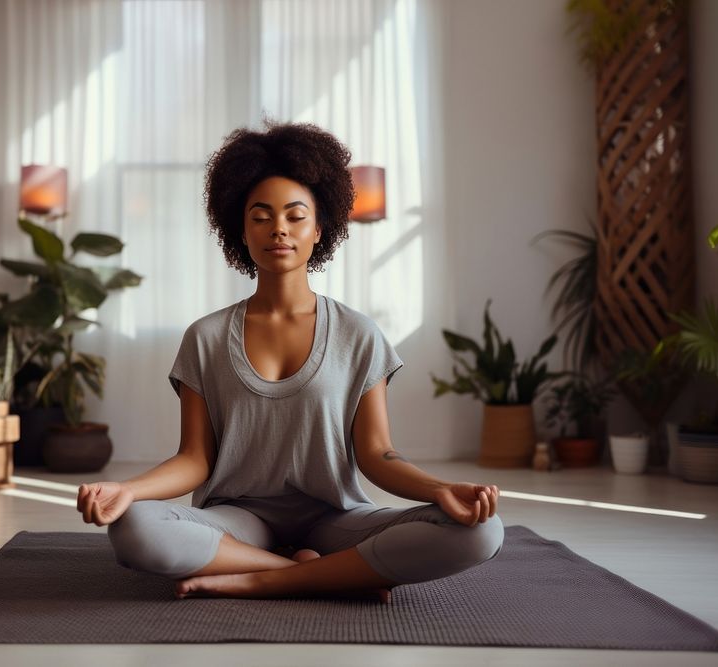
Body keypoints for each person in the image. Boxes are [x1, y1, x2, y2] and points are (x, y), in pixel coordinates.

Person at [76, 119, 504, 603]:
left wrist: (440, 488)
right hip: (238, 518)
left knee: (482, 532)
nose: (278, 228)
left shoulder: (358, 333)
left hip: (335, 518)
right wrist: (128, 491)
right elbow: (194, 459)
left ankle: (266, 578)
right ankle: (330, 577)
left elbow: (378, 455)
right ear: (240, 229)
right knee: (135, 527)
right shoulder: (206, 337)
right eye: (260, 216)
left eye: (295, 215)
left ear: (320, 229)